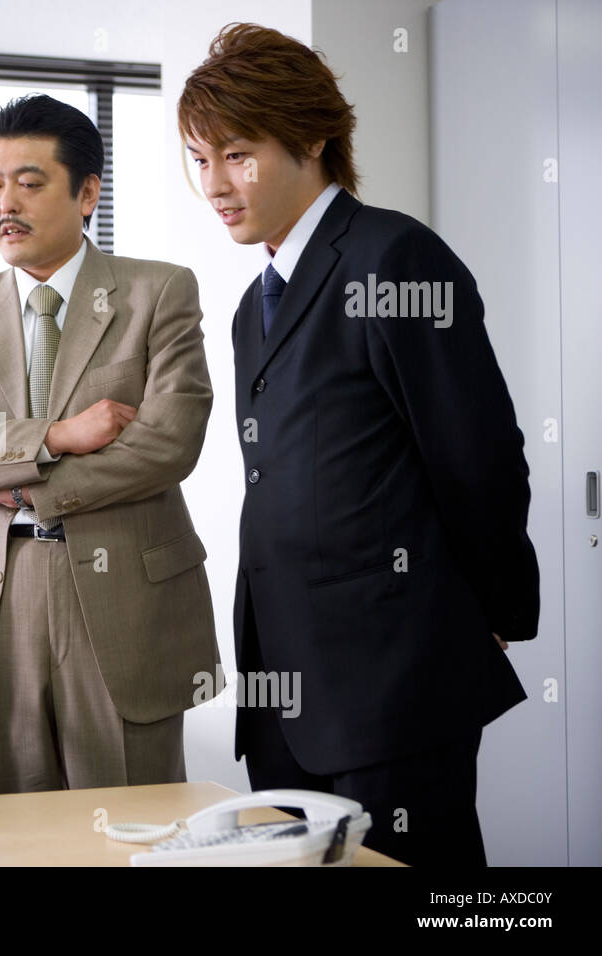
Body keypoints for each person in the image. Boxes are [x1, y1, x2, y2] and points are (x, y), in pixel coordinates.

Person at [177, 22, 539, 865]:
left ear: (311, 136)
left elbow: (478, 453)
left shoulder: (395, 256)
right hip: (287, 692)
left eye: (237, 154)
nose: (215, 184)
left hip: (395, 681)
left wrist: (495, 610)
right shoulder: (250, 306)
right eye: (199, 159)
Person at [0, 94, 219, 794]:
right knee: (15, 825)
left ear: (87, 194)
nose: (5, 202)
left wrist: (16, 486)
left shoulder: (157, 291)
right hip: (0, 595)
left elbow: (169, 441)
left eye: (30, 182)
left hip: (126, 599)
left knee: (133, 823)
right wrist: (57, 436)